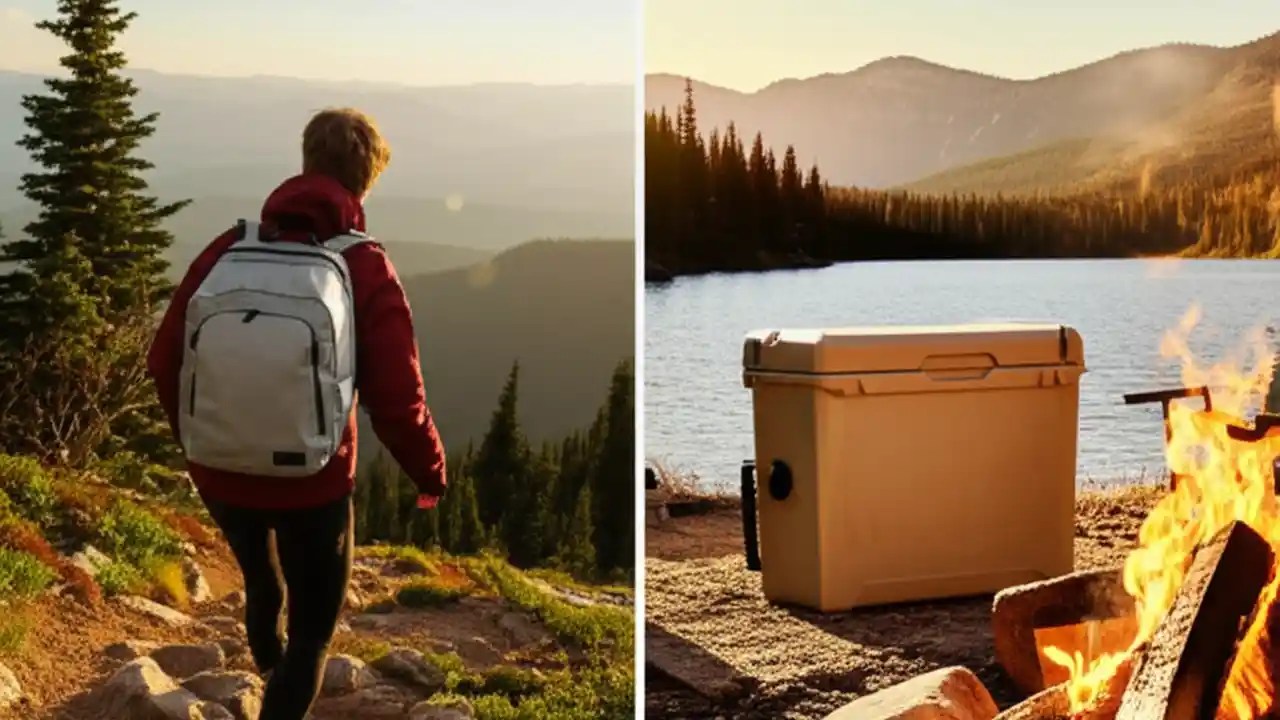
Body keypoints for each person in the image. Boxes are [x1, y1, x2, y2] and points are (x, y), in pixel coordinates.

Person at [146, 107, 447, 720]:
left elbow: (163, 359)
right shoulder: (364, 266)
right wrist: (430, 473)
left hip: (222, 472)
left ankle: (263, 624)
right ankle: (282, 682)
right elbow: (398, 399)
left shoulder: (228, 247)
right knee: (312, 636)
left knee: (260, 574)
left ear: (306, 161)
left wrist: (200, 445)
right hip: (314, 484)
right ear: (366, 182)